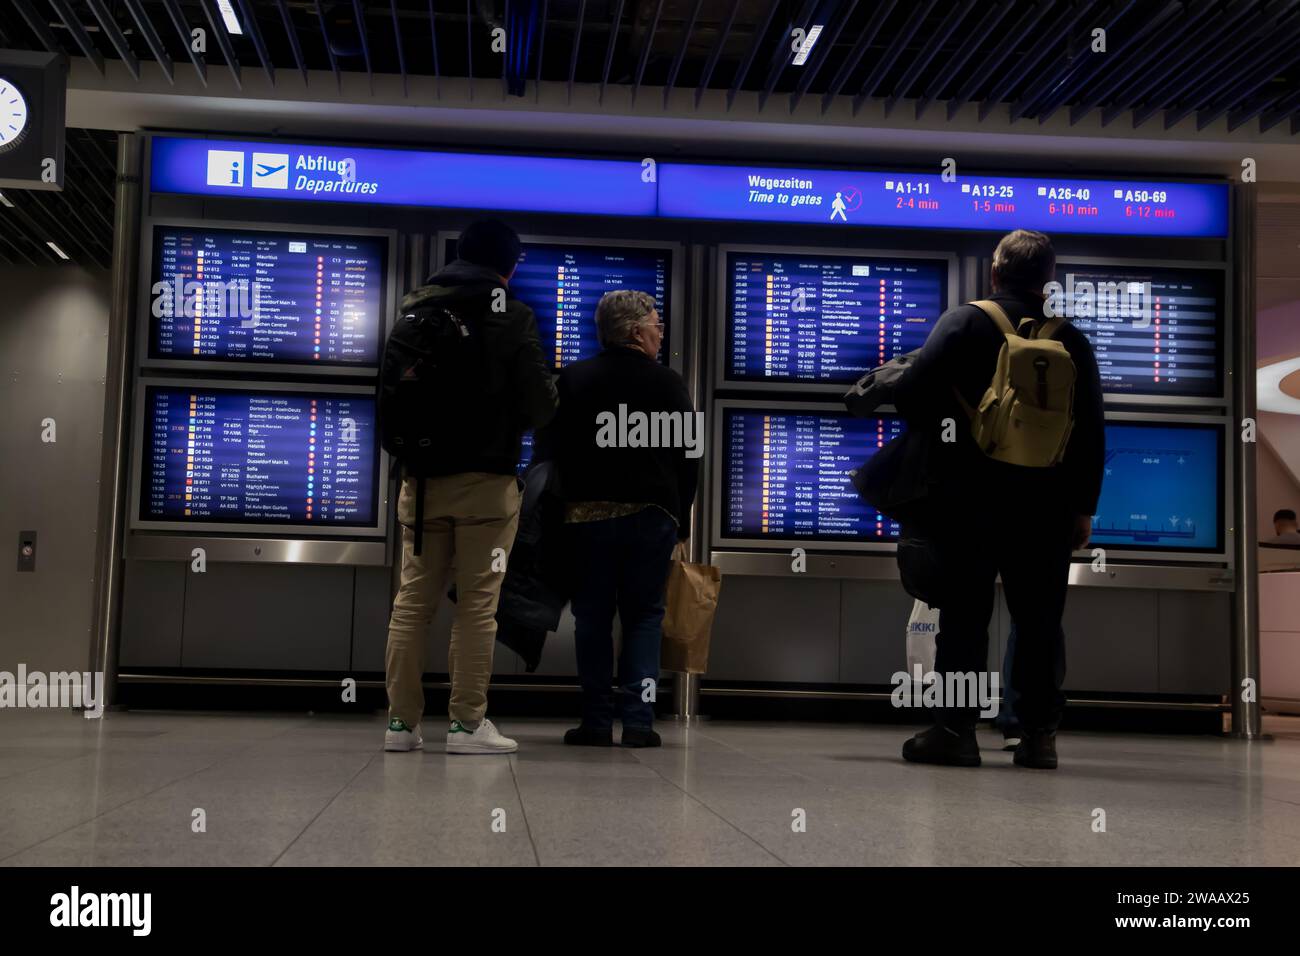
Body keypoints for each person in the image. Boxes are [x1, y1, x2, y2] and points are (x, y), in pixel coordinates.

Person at [892, 229, 1105, 770]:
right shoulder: (1072, 340)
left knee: (965, 616)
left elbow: (913, 396)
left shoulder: (963, 322)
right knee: (1040, 622)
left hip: (969, 501)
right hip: (1048, 506)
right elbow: (1091, 431)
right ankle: (1038, 738)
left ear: (995, 272)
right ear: (1048, 279)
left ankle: (955, 732)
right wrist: (1083, 508)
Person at [382, 219, 558, 755]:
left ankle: (401, 725)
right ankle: (465, 725)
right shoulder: (514, 317)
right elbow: (540, 405)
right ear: (509, 265)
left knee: (414, 600)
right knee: (478, 604)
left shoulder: (414, 310)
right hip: (486, 484)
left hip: (423, 481)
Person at [535, 290, 699, 748]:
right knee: (645, 617)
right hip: (653, 518)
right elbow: (690, 459)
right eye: (656, 323)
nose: (660, 332)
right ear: (634, 331)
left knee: (591, 617)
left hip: (586, 517)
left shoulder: (574, 379)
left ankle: (596, 722)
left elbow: (548, 453)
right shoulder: (670, 382)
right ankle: (640, 723)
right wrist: (681, 523)